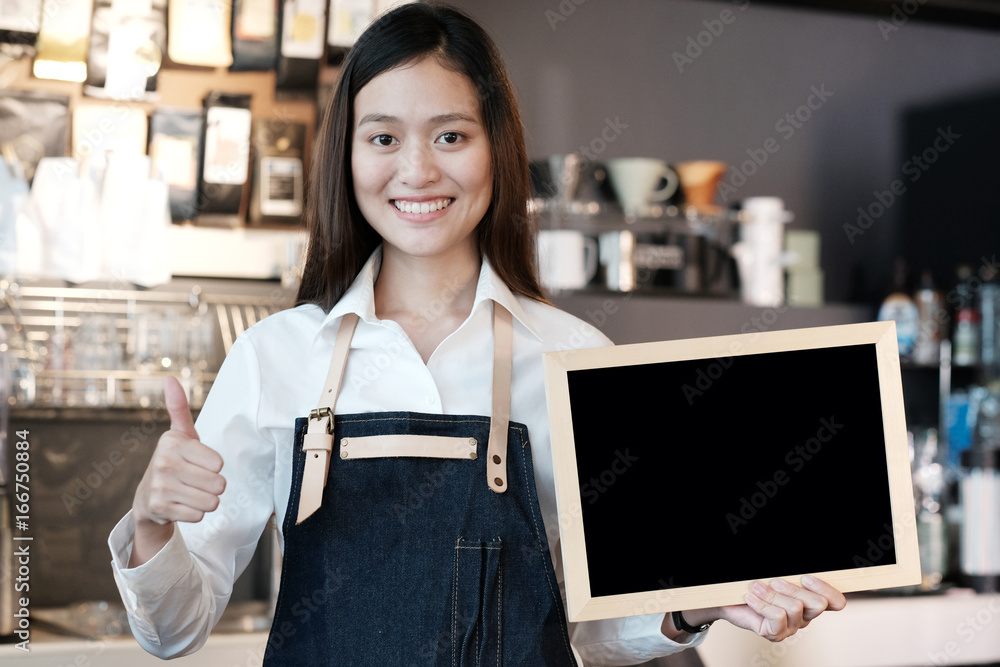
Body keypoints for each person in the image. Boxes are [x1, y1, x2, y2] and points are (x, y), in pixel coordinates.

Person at [108, 3, 846, 665]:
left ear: (497, 146)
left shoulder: (577, 357)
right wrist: (150, 516)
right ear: (348, 155)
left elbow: (593, 628)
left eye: (451, 135)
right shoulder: (275, 356)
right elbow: (173, 629)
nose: (417, 170)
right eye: (384, 137)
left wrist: (699, 601)